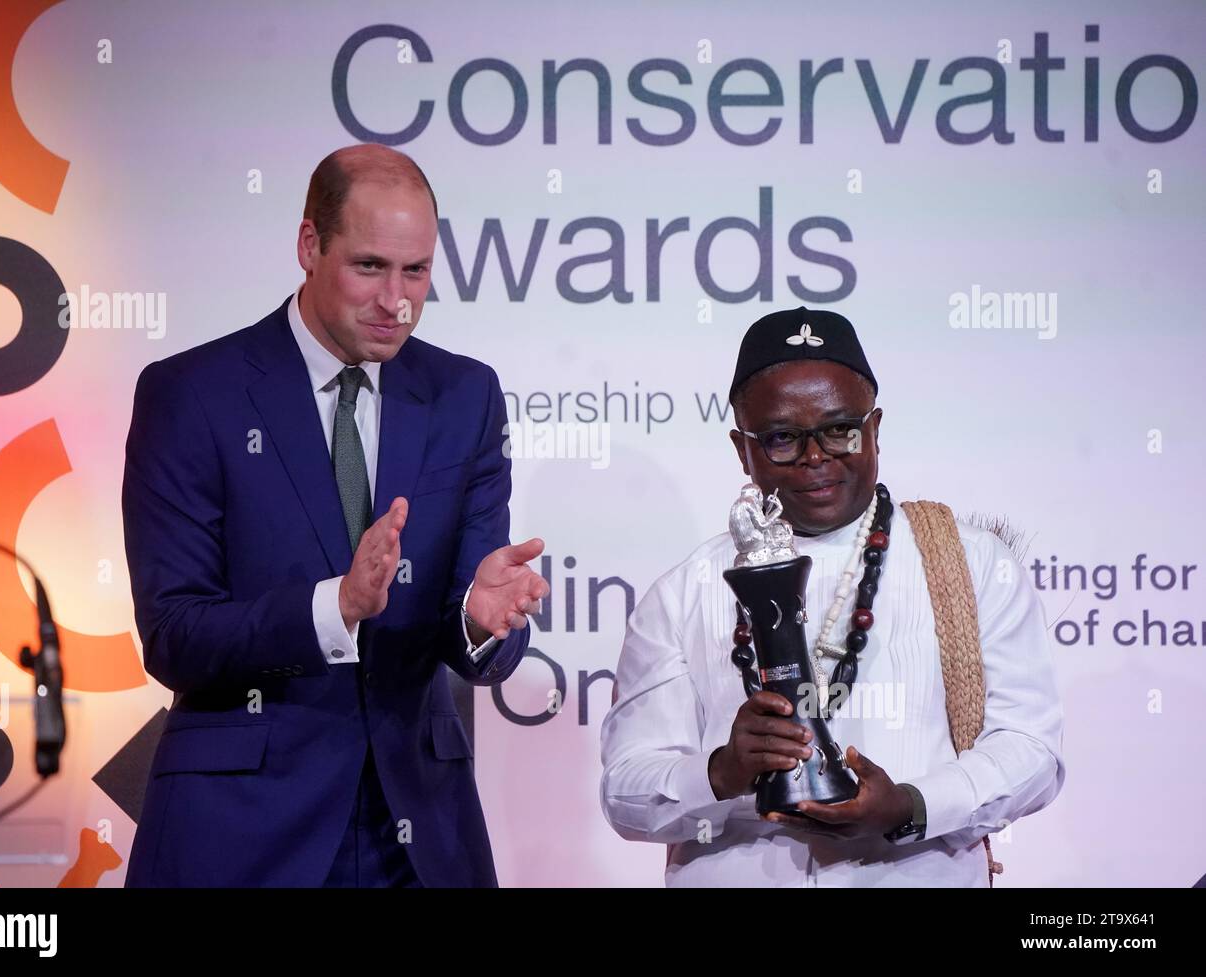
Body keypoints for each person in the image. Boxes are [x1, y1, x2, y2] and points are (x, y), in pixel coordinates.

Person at [122, 144, 548, 887]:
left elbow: (469, 615)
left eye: (415, 271)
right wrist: (335, 608)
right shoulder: (191, 394)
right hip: (241, 833)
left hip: (418, 837)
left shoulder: (465, 395)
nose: (396, 300)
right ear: (309, 246)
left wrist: (481, 620)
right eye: (370, 267)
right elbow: (173, 634)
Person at [600, 307, 1064, 886]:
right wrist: (722, 771)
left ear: (874, 428)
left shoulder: (970, 564)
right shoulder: (683, 592)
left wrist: (912, 806)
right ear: (742, 449)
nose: (816, 457)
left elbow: (1031, 751)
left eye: (840, 429)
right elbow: (625, 791)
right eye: (782, 440)